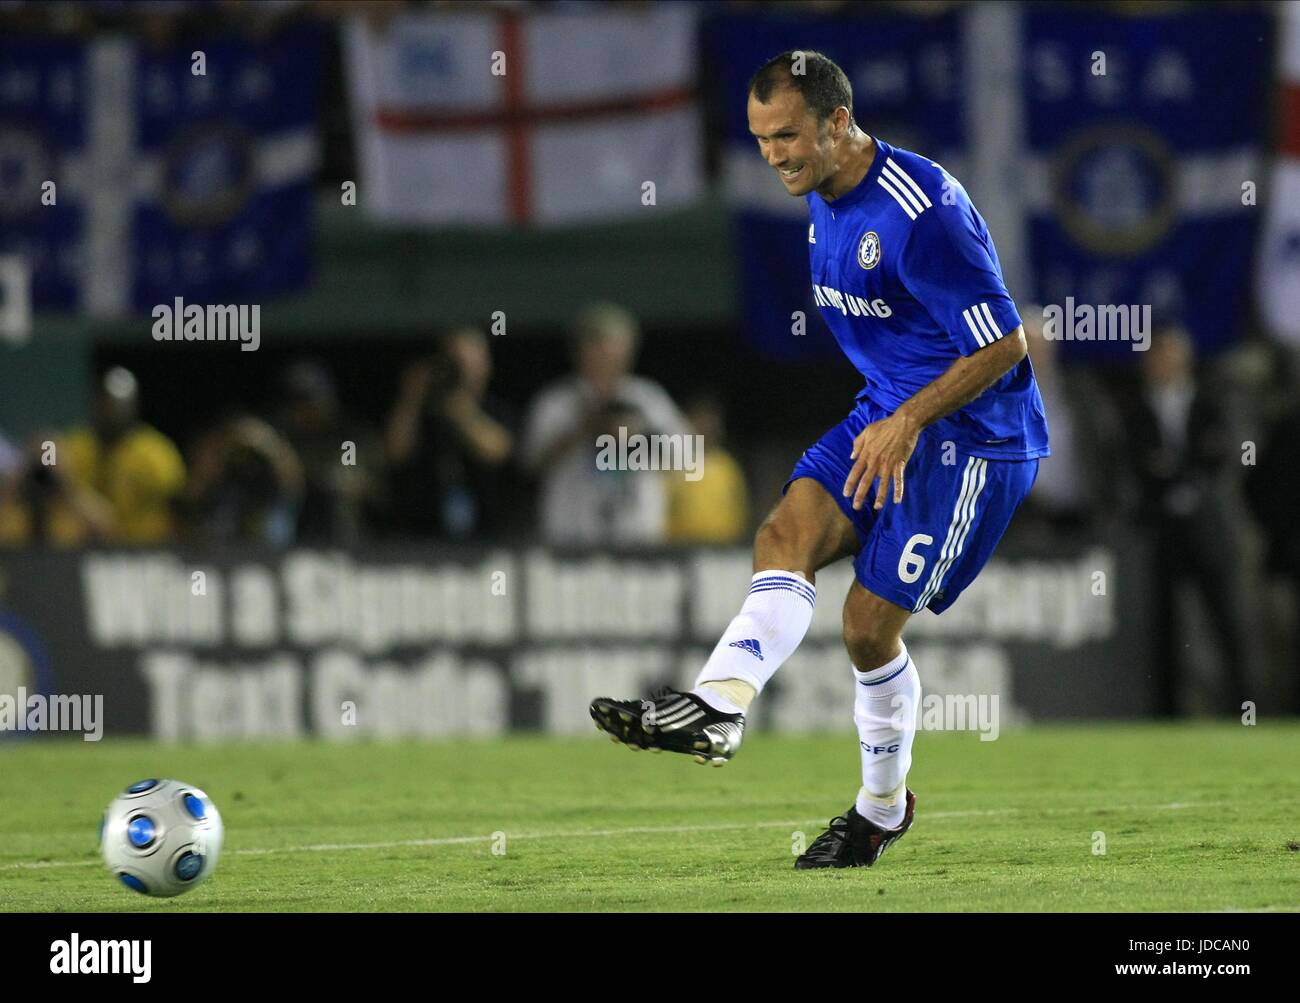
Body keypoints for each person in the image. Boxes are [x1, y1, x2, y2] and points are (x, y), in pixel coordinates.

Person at [590, 51, 1049, 869]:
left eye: (789, 136)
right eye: (762, 140)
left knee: (866, 629)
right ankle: (720, 705)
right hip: (889, 412)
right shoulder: (824, 194)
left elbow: (1006, 345)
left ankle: (880, 810)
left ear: (839, 121)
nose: (775, 157)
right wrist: (892, 412)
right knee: (782, 534)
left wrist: (909, 417)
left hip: (974, 435)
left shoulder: (924, 210)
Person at [1120, 325, 1248, 717]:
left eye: (1172, 355)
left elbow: (1221, 453)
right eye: (1158, 355)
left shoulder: (1209, 402)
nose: (1165, 363)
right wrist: (1179, 472)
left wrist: (1175, 472)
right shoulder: (1137, 408)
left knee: (1226, 619)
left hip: (1208, 529)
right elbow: (1139, 464)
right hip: (1162, 531)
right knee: (1164, 626)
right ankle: (1166, 712)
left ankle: (1244, 705)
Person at [520, 303, 688, 546]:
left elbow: (689, 460)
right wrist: (583, 428)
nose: (604, 355)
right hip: (571, 538)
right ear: (579, 350)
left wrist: (640, 435)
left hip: (638, 536)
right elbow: (531, 463)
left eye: (613, 346)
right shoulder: (557, 402)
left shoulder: (647, 398)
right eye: (595, 345)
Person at [0, 367, 185, 546]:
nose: (112, 411)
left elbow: (178, 511)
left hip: (147, 549)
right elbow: (52, 468)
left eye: (118, 405)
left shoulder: (156, 453)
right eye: (106, 404)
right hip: (86, 548)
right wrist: (39, 459)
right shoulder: (79, 445)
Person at [386, 326, 515, 539]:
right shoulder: (422, 412)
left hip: (489, 541)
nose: (461, 370)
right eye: (453, 359)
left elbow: (497, 451)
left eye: (468, 361)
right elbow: (395, 452)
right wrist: (411, 397)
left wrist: (458, 407)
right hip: (421, 540)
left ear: (486, 365)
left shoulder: (497, 409)